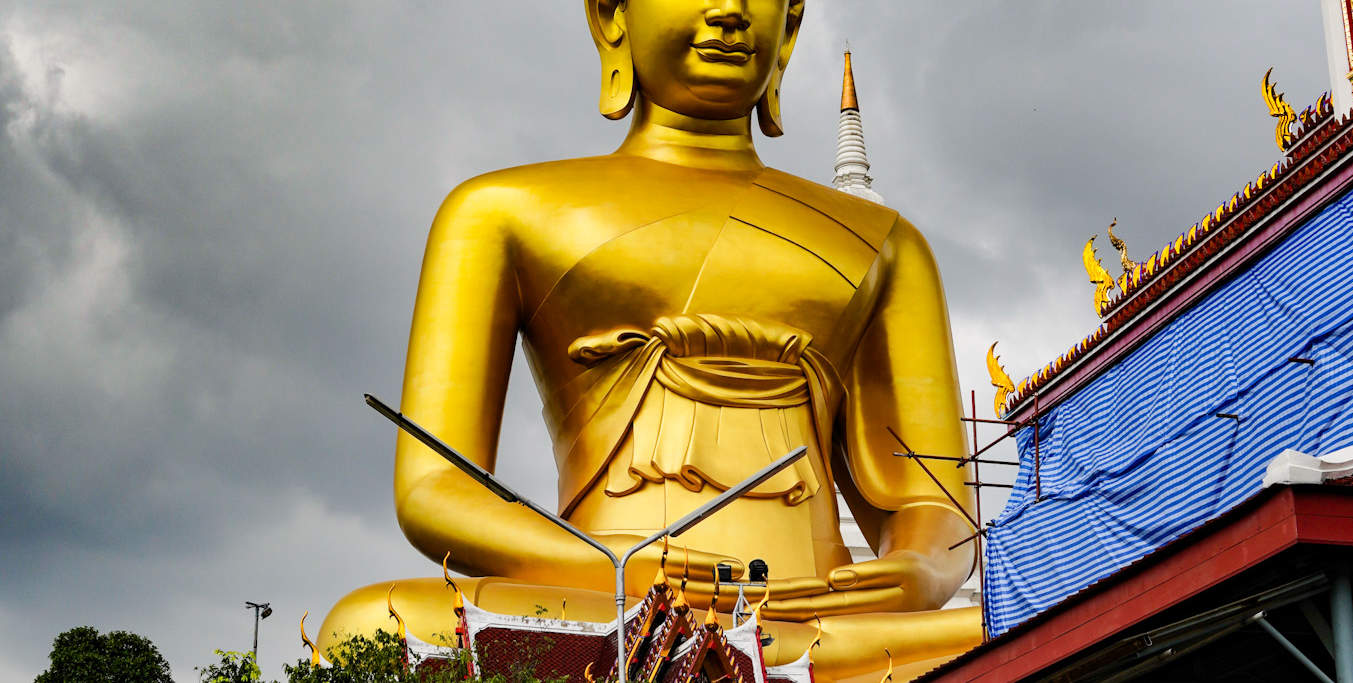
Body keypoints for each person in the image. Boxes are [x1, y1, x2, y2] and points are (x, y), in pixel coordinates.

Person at [320, 1, 981, 678]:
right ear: (610, 15)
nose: (729, 11)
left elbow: (935, 503)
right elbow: (433, 490)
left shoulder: (884, 243)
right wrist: (630, 567)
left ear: (788, 25)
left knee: (1006, 620)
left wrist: (915, 570)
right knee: (374, 623)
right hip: (612, 597)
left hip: (809, 615)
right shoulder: (499, 210)